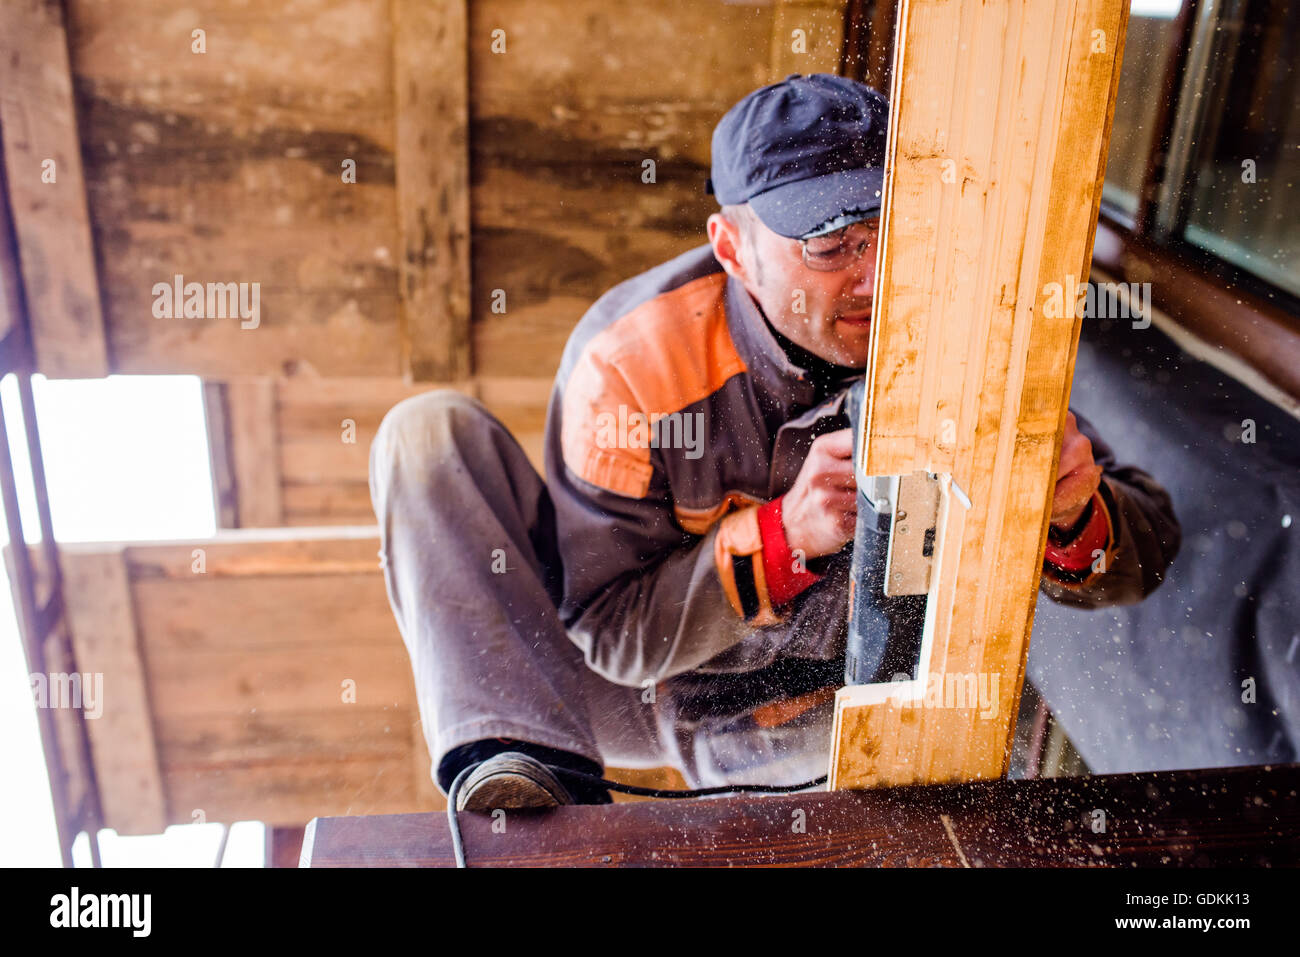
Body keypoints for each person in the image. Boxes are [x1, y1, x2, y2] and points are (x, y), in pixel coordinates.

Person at [369, 74, 1181, 811]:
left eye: (884, 233)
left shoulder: (953, 318)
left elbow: (1150, 550)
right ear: (733, 249)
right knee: (424, 437)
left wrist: (1073, 513)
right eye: (829, 248)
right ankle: (530, 795)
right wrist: (782, 537)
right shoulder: (628, 367)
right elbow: (611, 632)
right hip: (660, 690)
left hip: (870, 682)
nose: (872, 277)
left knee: (1014, 807)